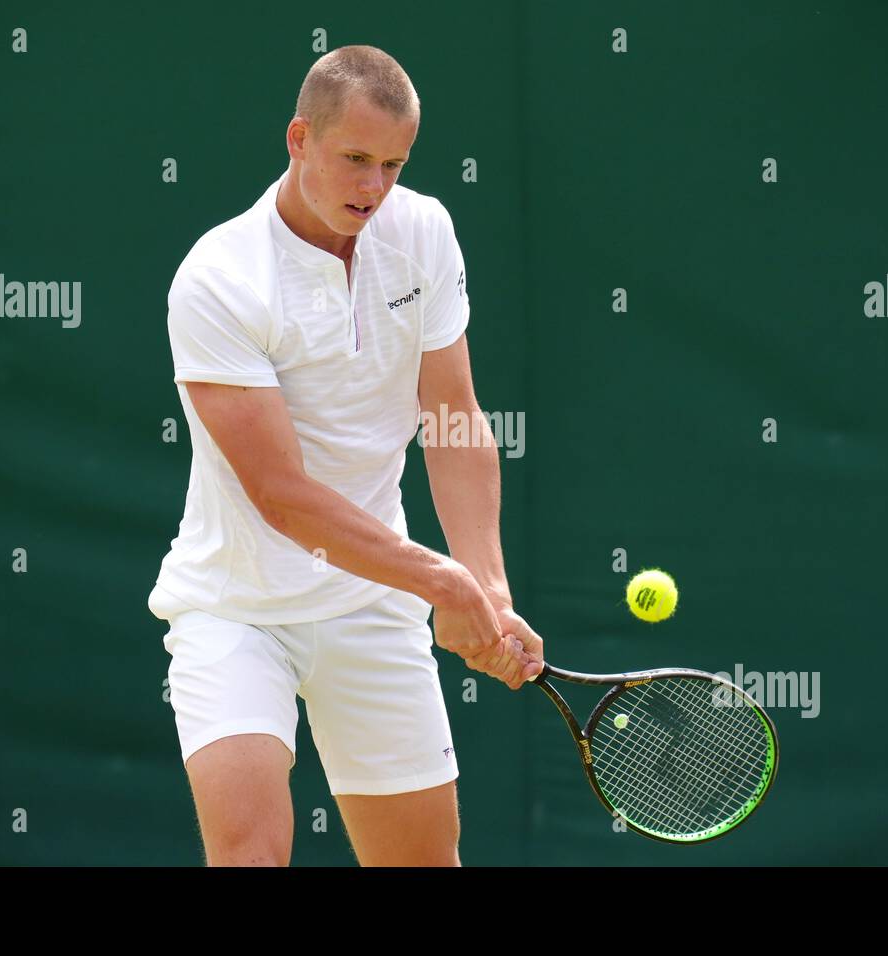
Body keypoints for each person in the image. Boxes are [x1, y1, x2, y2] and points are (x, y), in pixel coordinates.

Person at [147, 45, 543, 867]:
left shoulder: (423, 233)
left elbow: (453, 416)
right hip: (236, 608)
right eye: (355, 158)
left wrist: (488, 586)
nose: (374, 187)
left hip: (373, 603)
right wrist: (442, 582)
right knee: (251, 856)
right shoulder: (220, 279)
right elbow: (281, 494)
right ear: (299, 139)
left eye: (393, 165)